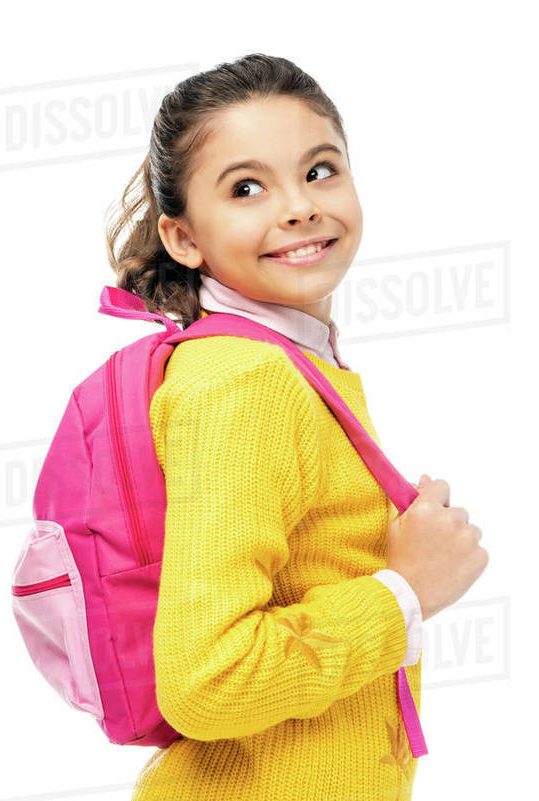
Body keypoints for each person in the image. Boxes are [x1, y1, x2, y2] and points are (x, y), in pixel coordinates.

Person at [108, 53, 489, 800]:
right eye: (247, 187)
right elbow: (207, 679)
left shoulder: (288, 363)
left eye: (319, 171)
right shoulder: (247, 385)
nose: (298, 206)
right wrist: (405, 590)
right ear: (185, 239)